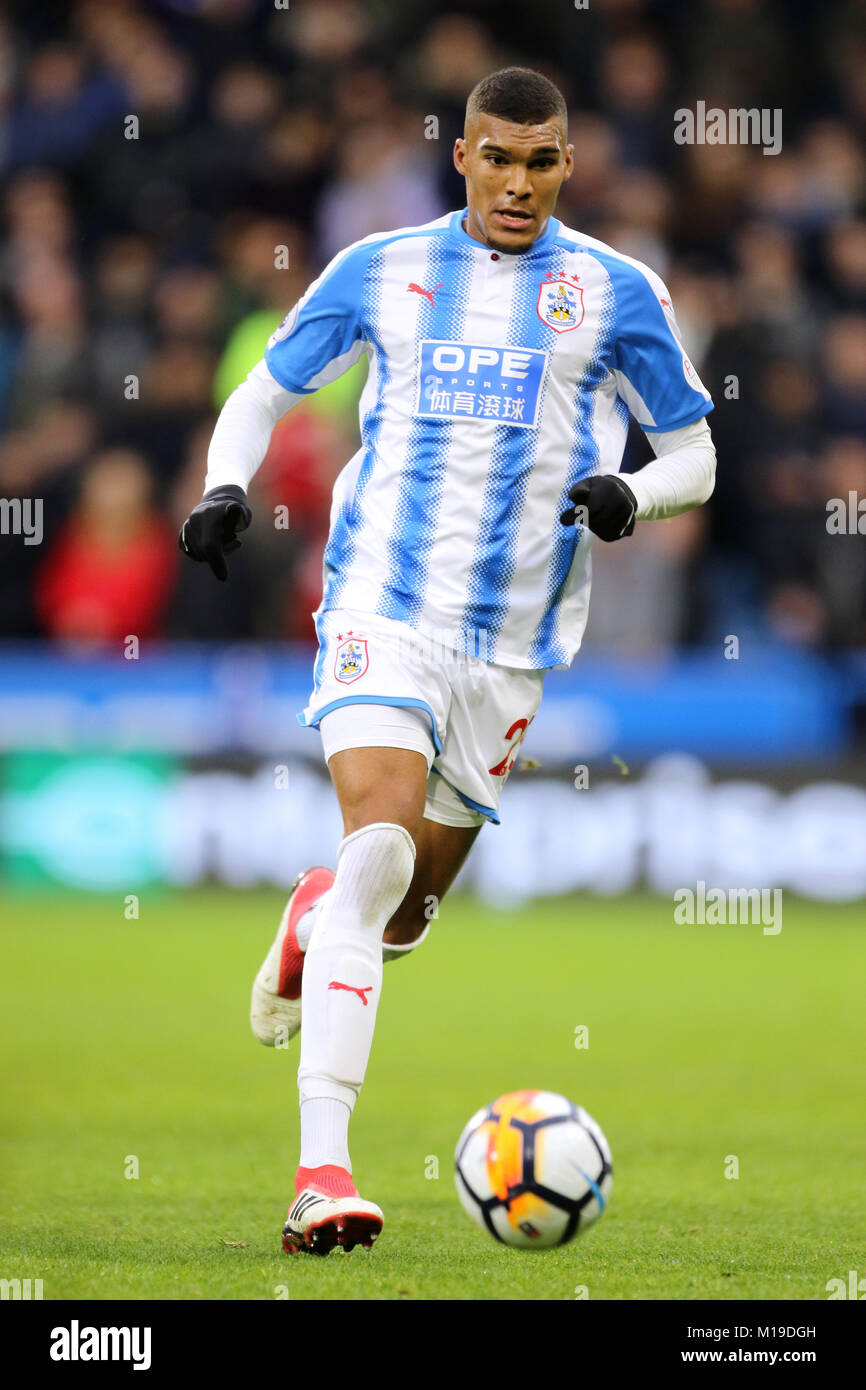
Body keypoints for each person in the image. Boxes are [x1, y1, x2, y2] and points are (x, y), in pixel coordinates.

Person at [178, 67, 716, 1256]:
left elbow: (695, 454)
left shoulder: (614, 292)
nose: (518, 183)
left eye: (542, 162)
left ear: (566, 164)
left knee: (401, 911)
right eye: (497, 159)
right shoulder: (379, 267)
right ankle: (323, 1174)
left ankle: (313, 919)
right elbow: (265, 392)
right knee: (375, 849)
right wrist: (227, 483)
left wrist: (630, 492)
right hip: (382, 602)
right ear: (461, 157)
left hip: (511, 649)